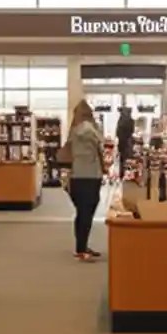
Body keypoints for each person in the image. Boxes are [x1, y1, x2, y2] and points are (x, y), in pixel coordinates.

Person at [67, 100, 105, 262]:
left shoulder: (73, 131)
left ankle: (80, 246)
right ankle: (82, 249)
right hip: (90, 174)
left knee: (80, 213)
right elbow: (100, 148)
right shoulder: (92, 130)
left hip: (75, 176)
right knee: (87, 213)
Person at [116, 106, 135, 172]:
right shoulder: (131, 121)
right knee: (128, 161)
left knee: (122, 161)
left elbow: (117, 133)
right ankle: (128, 174)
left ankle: (122, 174)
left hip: (122, 144)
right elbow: (132, 131)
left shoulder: (120, 121)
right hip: (128, 143)